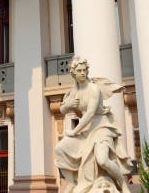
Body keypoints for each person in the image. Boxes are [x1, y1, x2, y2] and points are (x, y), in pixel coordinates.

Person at [55, 57, 132, 193]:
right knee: (60, 149)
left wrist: (74, 132)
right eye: (79, 70)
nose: (82, 73)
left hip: (102, 127)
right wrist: (67, 105)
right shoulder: (74, 91)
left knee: (102, 159)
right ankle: (73, 182)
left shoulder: (93, 89)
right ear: (73, 73)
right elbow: (62, 109)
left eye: (84, 70)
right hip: (86, 130)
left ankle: (122, 183)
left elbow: (90, 113)